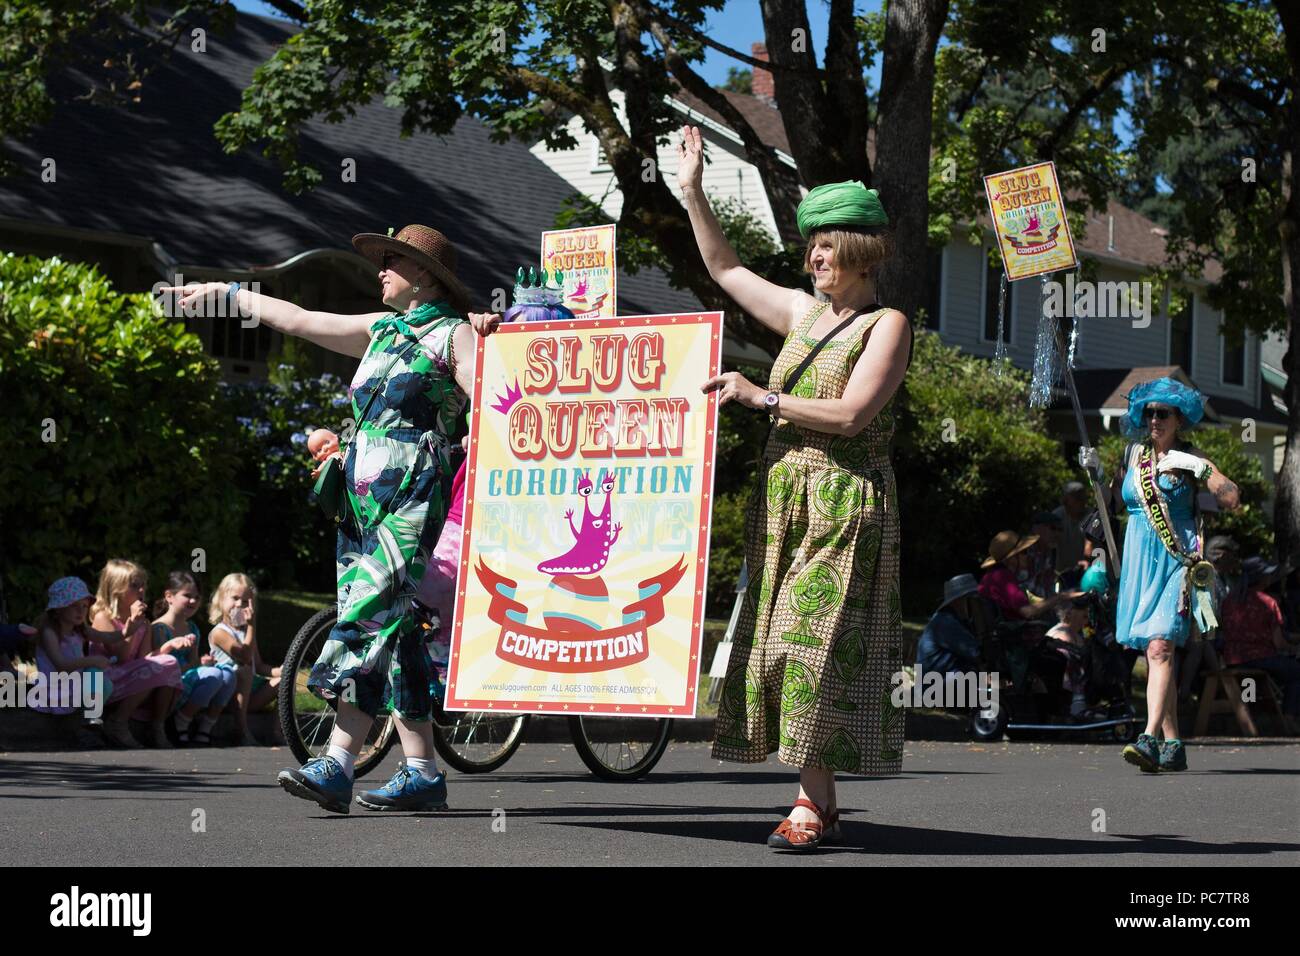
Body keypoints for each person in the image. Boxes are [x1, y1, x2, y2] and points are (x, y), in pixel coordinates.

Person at [165, 224, 476, 810]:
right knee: (397, 628)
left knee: (363, 616)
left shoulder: (456, 336)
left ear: (427, 277)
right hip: (359, 504)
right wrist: (226, 295)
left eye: (394, 261)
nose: (380, 268)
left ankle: (336, 760)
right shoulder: (382, 329)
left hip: (413, 496)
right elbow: (299, 317)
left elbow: (502, 403)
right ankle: (423, 772)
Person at [670, 126, 913, 850]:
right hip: (786, 502)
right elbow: (726, 269)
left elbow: (850, 414)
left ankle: (808, 807)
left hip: (845, 501)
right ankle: (821, 799)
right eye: (811, 248)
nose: (813, 258)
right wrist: (692, 192)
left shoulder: (886, 324)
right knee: (775, 647)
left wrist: (763, 397)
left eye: (825, 247)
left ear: (860, 251)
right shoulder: (804, 315)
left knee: (804, 648)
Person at [1080, 377, 1240, 773]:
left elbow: (1232, 499)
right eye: (1149, 412)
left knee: (1160, 649)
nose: (1154, 419)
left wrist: (1199, 468)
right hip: (1138, 559)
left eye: (1162, 413)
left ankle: (1148, 737)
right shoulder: (1134, 453)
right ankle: (1174, 743)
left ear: (1178, 418)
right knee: (1156, 654)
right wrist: (1096, 476)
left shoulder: (1190, 455)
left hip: (1176, 561)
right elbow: (1115, 503)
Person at [89, 560, 184, 748]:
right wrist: (130, 627)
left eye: (143, 585)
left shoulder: (144, 623)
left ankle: (157, 725)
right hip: (106, 680)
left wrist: (169, 646)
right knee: (162, 665)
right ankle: (118, 721)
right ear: (115, 589)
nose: (141, 591)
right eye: (134, 586)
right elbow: (122, 657)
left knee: (169, 662)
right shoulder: (103, 617)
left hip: (130, 677)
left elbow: (145, 659)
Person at [151, 571, 236, 745]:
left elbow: (193, 661)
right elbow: (156, 663)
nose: (193, 601)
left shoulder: (192, 628)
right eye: (187, 596)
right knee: (214, 675)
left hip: (186, 677)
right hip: (168, 682)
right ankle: (180, 721)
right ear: (169, 596)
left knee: (228, 674)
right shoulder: (159, 628)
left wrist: (202, 663)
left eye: (197, 597)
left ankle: (204, 726)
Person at [1219, 556, 1300, 720]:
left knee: (1251, 678)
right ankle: (1289, 717)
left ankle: (1254, 713)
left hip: (1233, 658)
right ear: (1260, 577)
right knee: (1296, 672)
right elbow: (1279, 643)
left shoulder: (1230, 600)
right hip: (1261, 657)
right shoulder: (1268, 602)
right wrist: (1294, 647)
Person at [31, 577, 114, 734]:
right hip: (57, 686)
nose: (81, 611)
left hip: (73, 684)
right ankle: (84, 725)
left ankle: (88, 721)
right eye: (74, 606)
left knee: (102, 681)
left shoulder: (79, 630)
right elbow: (61, 666)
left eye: (84, 606)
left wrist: (129, 630)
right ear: (58, 609)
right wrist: (92, 660)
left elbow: (108, 637)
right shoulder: (50, 633)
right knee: (95, 675)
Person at [206, 574, 280, 745]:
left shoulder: (246, 631)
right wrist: (252, 626)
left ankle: (277, 731)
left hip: (250, 694)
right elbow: (246, 657)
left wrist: (283, 670)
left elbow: (259, 666)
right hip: (228, 695)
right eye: (235, 598)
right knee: (244, 671)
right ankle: (242, 730)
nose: (240, 604)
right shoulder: (219, 632)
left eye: (246, 601)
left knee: (285, 681)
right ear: (221, 599)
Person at [978, 530, 1075, 623]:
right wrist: (1063, 596)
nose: (1029, 555)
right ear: (1012, 558)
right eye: (1024, 552)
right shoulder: (1004, 577)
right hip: (1016, 634)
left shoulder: (992, 575)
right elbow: (1027, 611)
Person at [916, 575, 987, 679]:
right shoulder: (946, 622)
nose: (977, 604)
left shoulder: (956, 619)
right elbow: (978, 653)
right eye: (973, 599)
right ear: (959, 601)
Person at [1053, 481, 1091, 580]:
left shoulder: (1090, 516)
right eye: (1076, 499)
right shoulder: (1057, 517)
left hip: (1086, 572)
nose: (1081, 502)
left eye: (1082, 499)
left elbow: (1092, 549)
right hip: (1061, 573)